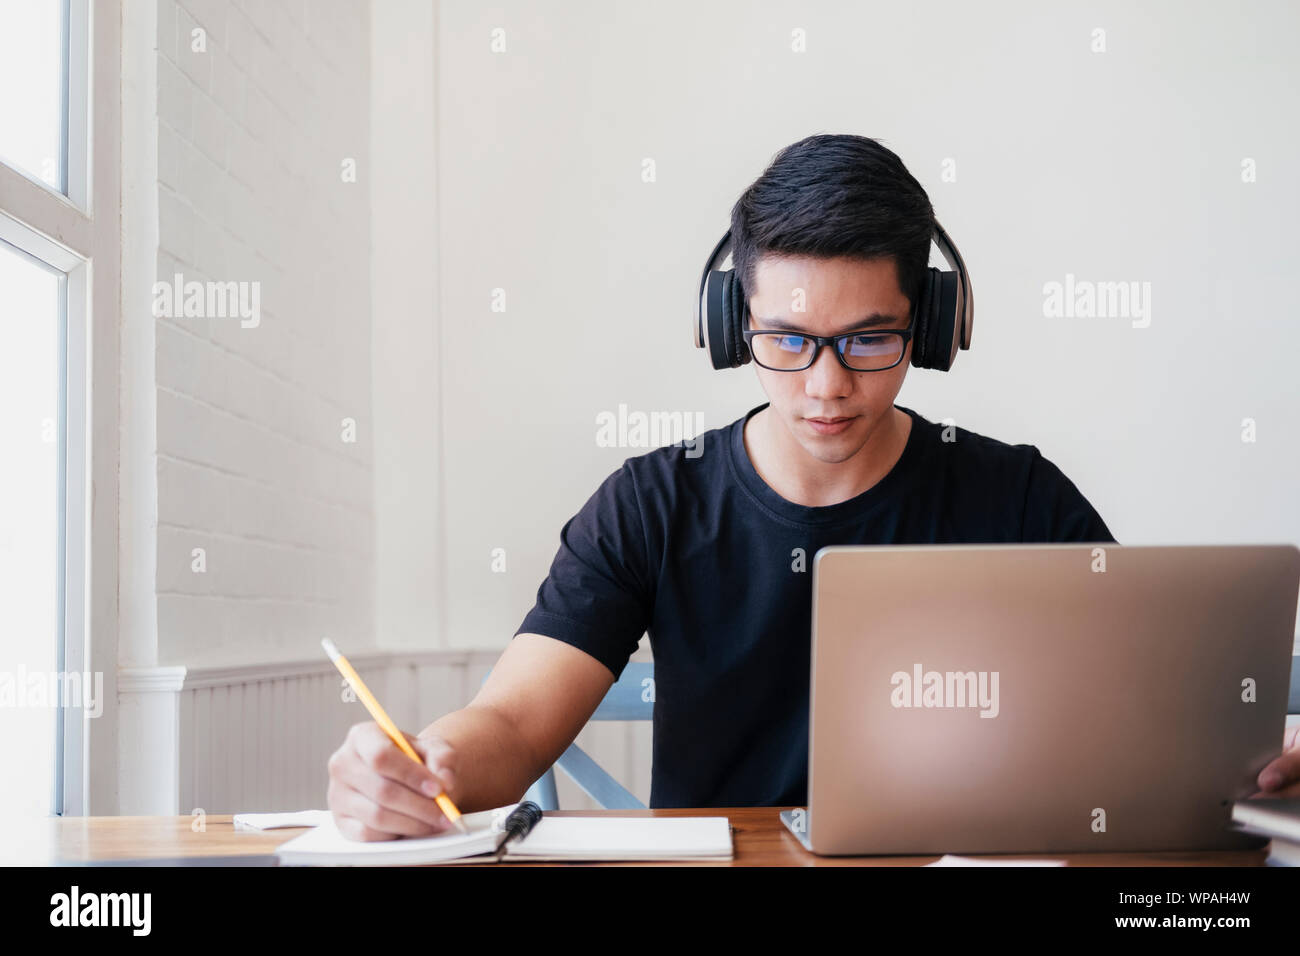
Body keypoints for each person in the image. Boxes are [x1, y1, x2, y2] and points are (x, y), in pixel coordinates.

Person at [326, 134, 1300, 840]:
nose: (826, 385)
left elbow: (1146, 711)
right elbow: (510, 720)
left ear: (929, 328)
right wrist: (425, 765)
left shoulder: (1017, 494)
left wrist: (1254, 763)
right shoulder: (651, 503)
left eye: (868, 338)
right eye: (786, 339)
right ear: (727, 325)